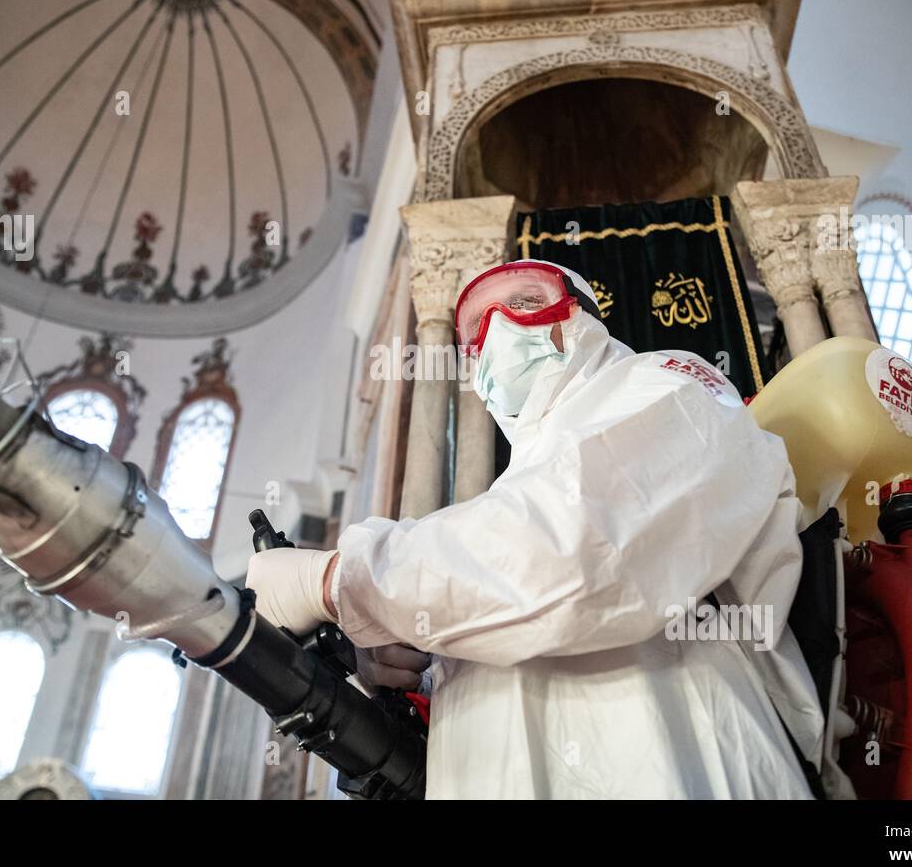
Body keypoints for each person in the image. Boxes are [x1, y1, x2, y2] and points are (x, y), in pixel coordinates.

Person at [246, 259, 824, 798]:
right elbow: (508, 622)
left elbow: (570, 555)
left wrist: (335, 581)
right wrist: (405, 660)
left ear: (582, 315)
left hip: (674, 761)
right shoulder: (508, 496)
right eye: (476, 330)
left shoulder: (669, 388)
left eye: (524, 301)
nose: (497, 331)